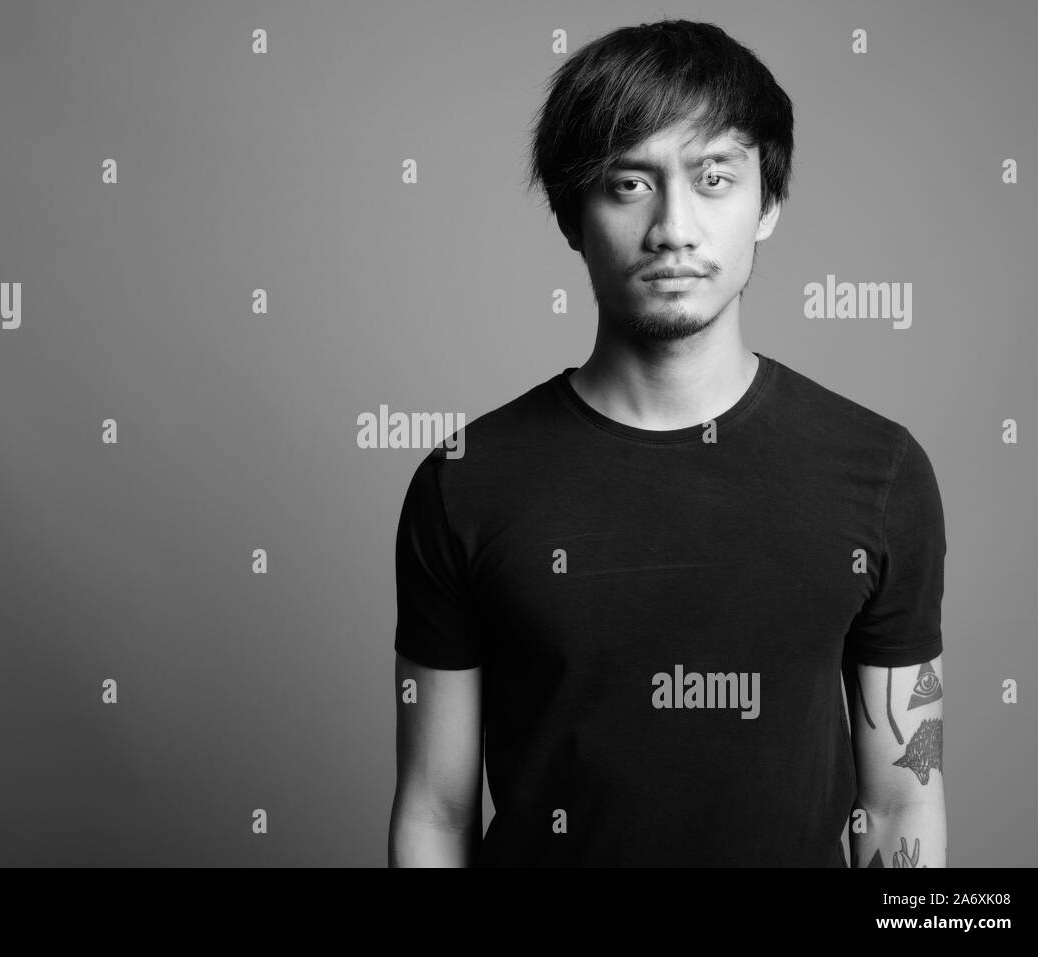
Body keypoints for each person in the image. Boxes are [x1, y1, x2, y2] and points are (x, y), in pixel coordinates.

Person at [387, 19, 946, 867]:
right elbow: (434, 808)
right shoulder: (465, 482)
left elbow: (903, 800)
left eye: (715, 176)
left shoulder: (880, 472)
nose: (673, 227)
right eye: (627, 184)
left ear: (769, 203)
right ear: (573, 216)